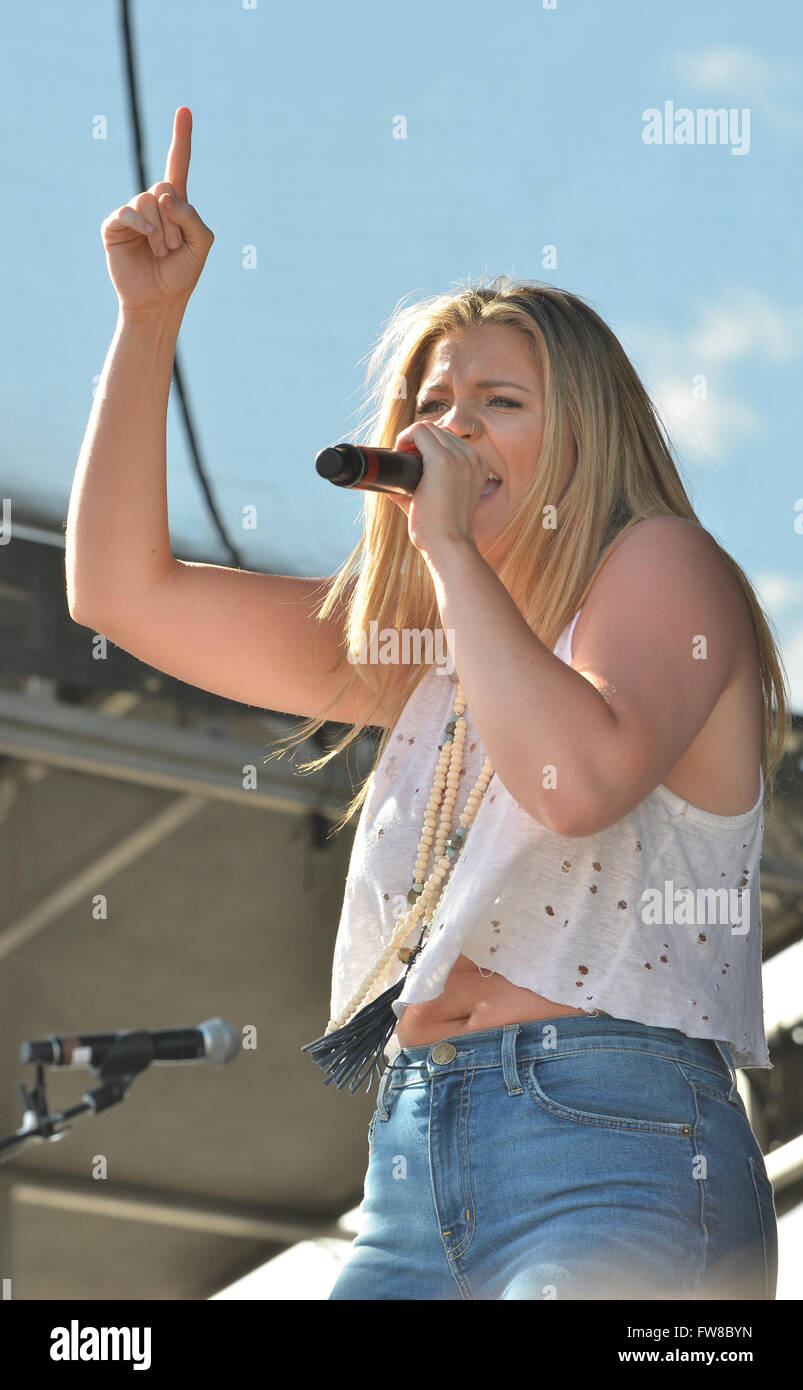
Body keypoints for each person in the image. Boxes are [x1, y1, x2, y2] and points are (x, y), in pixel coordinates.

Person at [66, 106, 789, 1302]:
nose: (451, 426)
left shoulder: (657, 561)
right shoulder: (418, 652)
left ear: (585, 435)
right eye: (434, 403)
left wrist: (448, 548)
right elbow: (120, 591)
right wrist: (150, 323)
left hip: (609, 1141)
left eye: (497, 401)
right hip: (411, 1167)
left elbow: (576, 781)